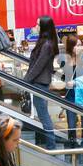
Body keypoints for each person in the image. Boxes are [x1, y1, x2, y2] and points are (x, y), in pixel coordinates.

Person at [23, 16, 59, 149]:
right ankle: (50, 144)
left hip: (40, 83)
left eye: (38, 24)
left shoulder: (46, 44)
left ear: (43, 27)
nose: (35, 26)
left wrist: (26, 80)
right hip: (40, 82)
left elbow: (38, 65)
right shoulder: (46, 42)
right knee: (43, 114)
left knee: (43, 115)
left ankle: (51, 145)